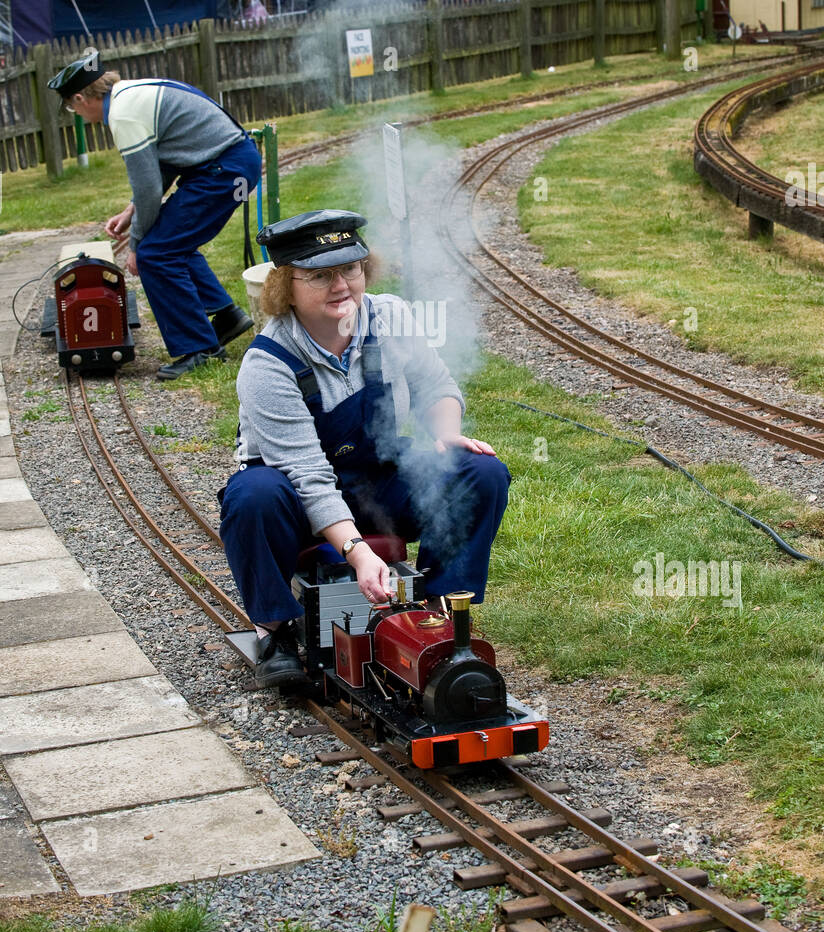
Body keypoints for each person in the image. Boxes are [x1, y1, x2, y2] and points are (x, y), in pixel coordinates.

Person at [218, 208, 511, 688]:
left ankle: (438, 613)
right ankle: (273, 632)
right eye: (319, 275)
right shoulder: (266, 364)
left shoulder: (390, 315)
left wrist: (444, 431)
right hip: (295, 500)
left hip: (379, 483)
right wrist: (356, 552)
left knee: (480, 472)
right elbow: (308, 474)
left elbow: (436, 385)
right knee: (253, 495)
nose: (341, 286)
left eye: (349, 269)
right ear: (285, 286)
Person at [47, 53, 261, 379]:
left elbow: (148, 188)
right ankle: (225, 316)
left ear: (80, 98)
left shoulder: (123, 116)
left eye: (71, 106)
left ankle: (199, 349)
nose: (75, 113)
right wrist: (132, 212)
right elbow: (161, 170)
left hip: (224, 170)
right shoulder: (128, 95)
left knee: (156, 253)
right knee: (172, 241)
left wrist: (135, 244)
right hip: (231, 165)